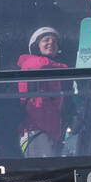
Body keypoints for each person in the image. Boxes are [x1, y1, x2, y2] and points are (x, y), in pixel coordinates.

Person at [16, 26, 68, 157]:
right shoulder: (30, 61)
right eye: (46, 40)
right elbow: (38, 65)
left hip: (51, 131)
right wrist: (65, 68)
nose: (51, 43)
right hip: (34, 130)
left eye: (54, 42)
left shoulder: (52, 69)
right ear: (36, 46)